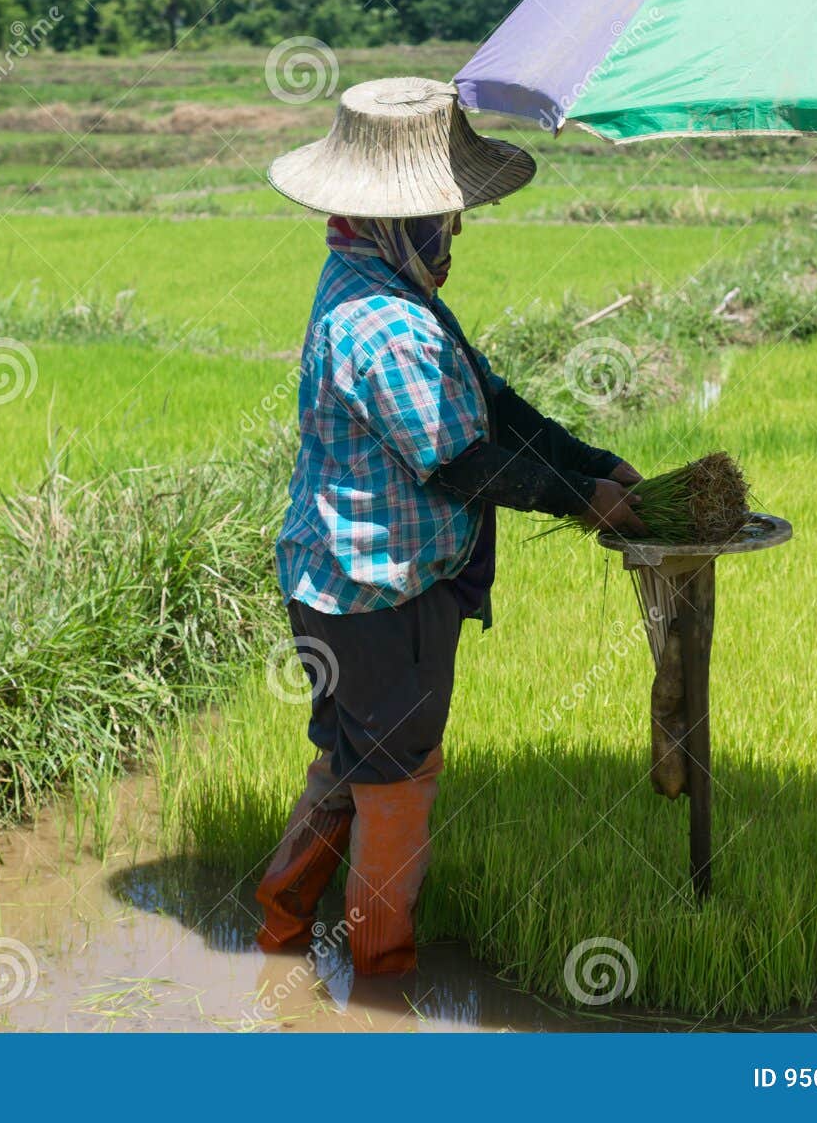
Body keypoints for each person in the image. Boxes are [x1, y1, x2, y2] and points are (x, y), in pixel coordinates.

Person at [255, 77, 646, 975]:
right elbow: (463, 459)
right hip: (382, 591)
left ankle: (280, 936)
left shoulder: (378, 278)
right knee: (398, 784)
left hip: (337, 583)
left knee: (350, 762)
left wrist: (591, 463)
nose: (460, 227)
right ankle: (382, 983)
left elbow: (494, 405)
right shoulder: (387, 323)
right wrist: (584, 502)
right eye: (447, 209)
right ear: (398, 215)